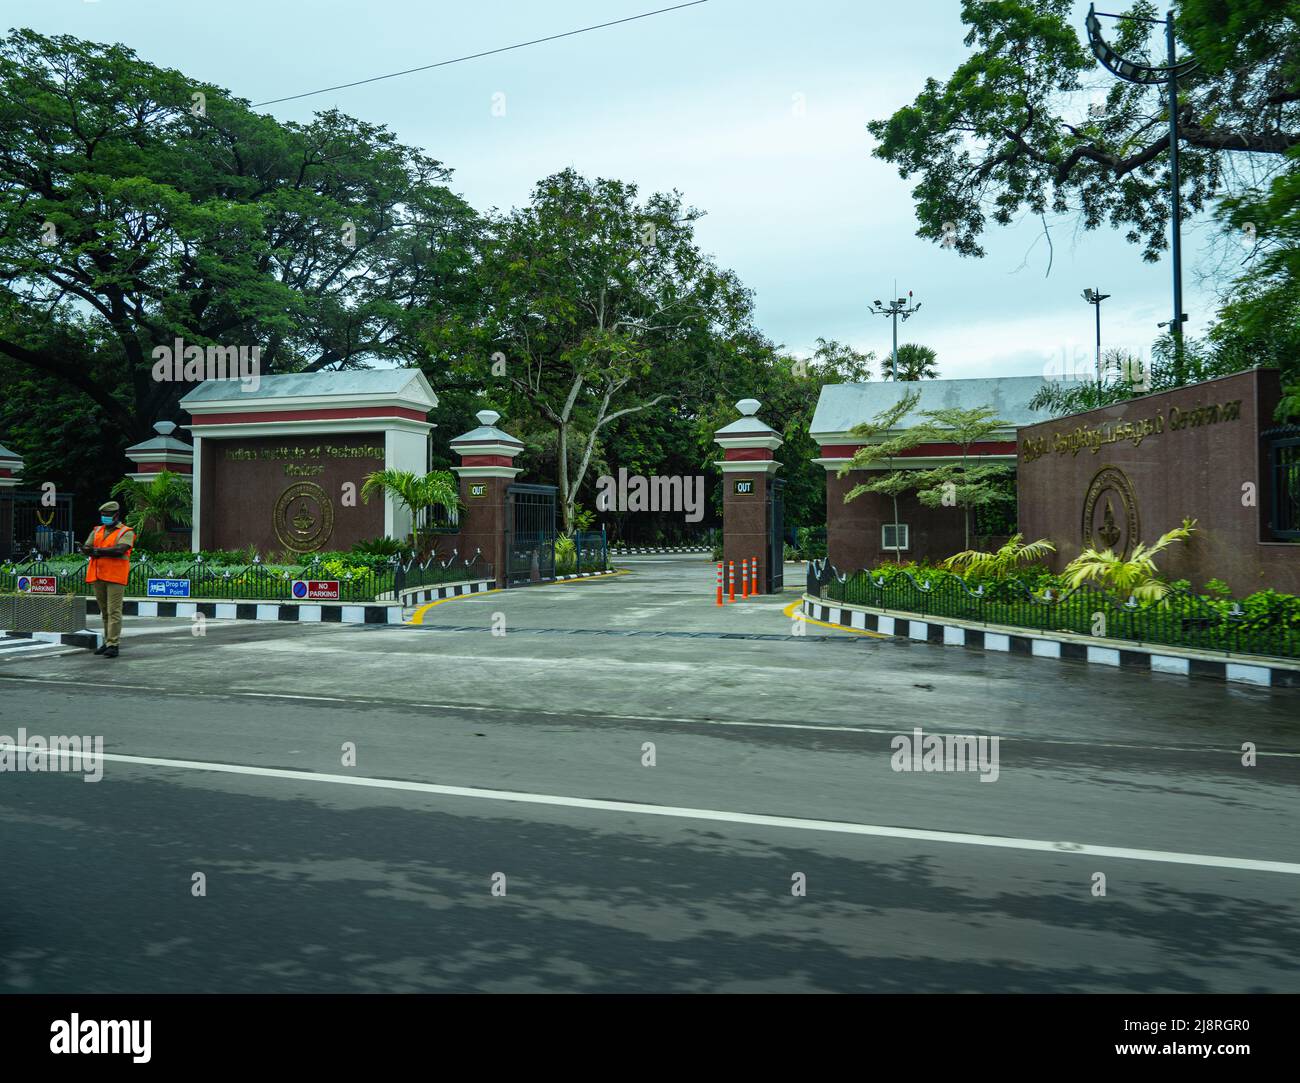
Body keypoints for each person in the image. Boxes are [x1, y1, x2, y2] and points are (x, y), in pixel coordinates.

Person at [82, 501, 135, 658]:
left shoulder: (126, 532)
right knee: (105, 612)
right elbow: (88, 546)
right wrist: (86, 549)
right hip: (97, 576)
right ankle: (108, 641)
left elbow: (120, 550)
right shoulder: (97, 530)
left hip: (115, 577)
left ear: (116, 515)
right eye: (103, 515)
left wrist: (96, 551)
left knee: (114, 611)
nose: (104, 518)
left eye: (107, 515)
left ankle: (114, 644)